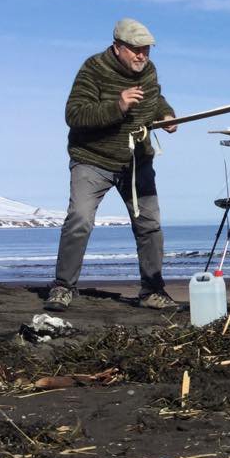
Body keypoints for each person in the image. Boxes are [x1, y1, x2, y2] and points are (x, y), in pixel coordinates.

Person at [44, 18, 178, 311]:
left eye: (146, 50)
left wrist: (167, 115)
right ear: (118, 47)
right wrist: (118, 106)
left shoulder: (149, 72)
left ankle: (152, 292)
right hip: (93, 159)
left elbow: (155, 100)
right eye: (135, 50)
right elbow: (75, 114)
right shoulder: (94, 69)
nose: (142, 56)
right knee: (79, 219)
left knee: (150, 225)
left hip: (136, 161)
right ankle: (63, 287)